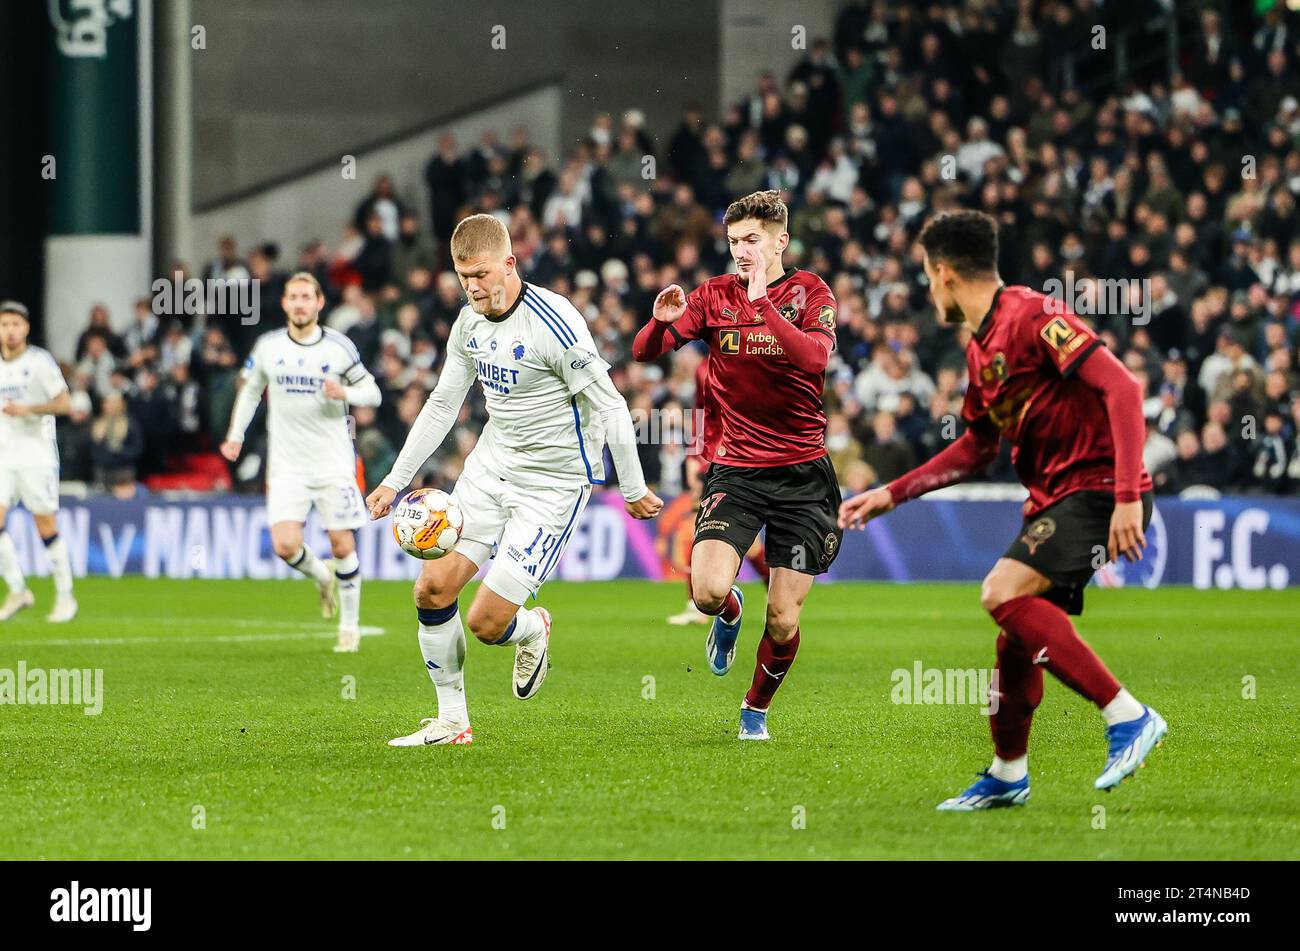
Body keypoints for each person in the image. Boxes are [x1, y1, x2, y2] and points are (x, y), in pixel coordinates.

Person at [839, 211, 1166, 808]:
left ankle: (1127, 715)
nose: (927, 288)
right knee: (1015, 637)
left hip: (1096, 488)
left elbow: (1123, 388)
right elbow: (977, 449)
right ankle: (1008, 773)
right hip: (1055, 496)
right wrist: (894, 492)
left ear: (942, 273)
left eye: (925, 276)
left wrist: (1124, 496)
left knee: (1001, 592)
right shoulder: (979, 351)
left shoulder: (1033, 315)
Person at [366, 214, 662, 747]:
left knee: (486, 622)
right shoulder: (468, 325)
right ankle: (452, 722)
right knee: (432, 589)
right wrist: (395, 479)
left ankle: (532, 628)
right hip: (491, 467)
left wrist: (635, 487)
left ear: (510, 262)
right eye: (463, 278)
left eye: (481, 274)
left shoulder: (556, 323)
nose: (473, 287)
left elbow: (612, 407)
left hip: (553, 484)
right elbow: (442, 404)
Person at [632, 190, 841, 741]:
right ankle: (728, 612)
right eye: (733, 242)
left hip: (803, 476)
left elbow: (814, 358)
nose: (742, 251)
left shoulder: (810, 292)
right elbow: (643, 352)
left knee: (784, 619)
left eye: (752, 240)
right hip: (738, 471)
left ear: (780, 241)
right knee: (704, 591)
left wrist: (763, 304)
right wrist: (659, 324)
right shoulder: (714, 296)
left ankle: (755, 709)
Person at [221, 273, 381, 653]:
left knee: (342, 545)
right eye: (293, 297)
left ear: (319, 303)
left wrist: (346, 391)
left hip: (332, 463)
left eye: (307, 297)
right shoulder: (268, 347)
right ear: (285, 303)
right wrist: (235, 435)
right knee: (285, 545)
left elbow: (373, 393)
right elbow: (250, 392)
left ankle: (349, 627)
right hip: (287, 465)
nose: (300, 303)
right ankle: (320, 576)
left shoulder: (339, 348)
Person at [0, 301, 77, 622]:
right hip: (4, 455)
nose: (10, 330)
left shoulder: (40, 362)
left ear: (27, 328)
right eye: (4, 324)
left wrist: (29, 409)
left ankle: (65, 597)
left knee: (44, 524)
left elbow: (65, 403)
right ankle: (18, 589)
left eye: (16, 323)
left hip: (37, 456)